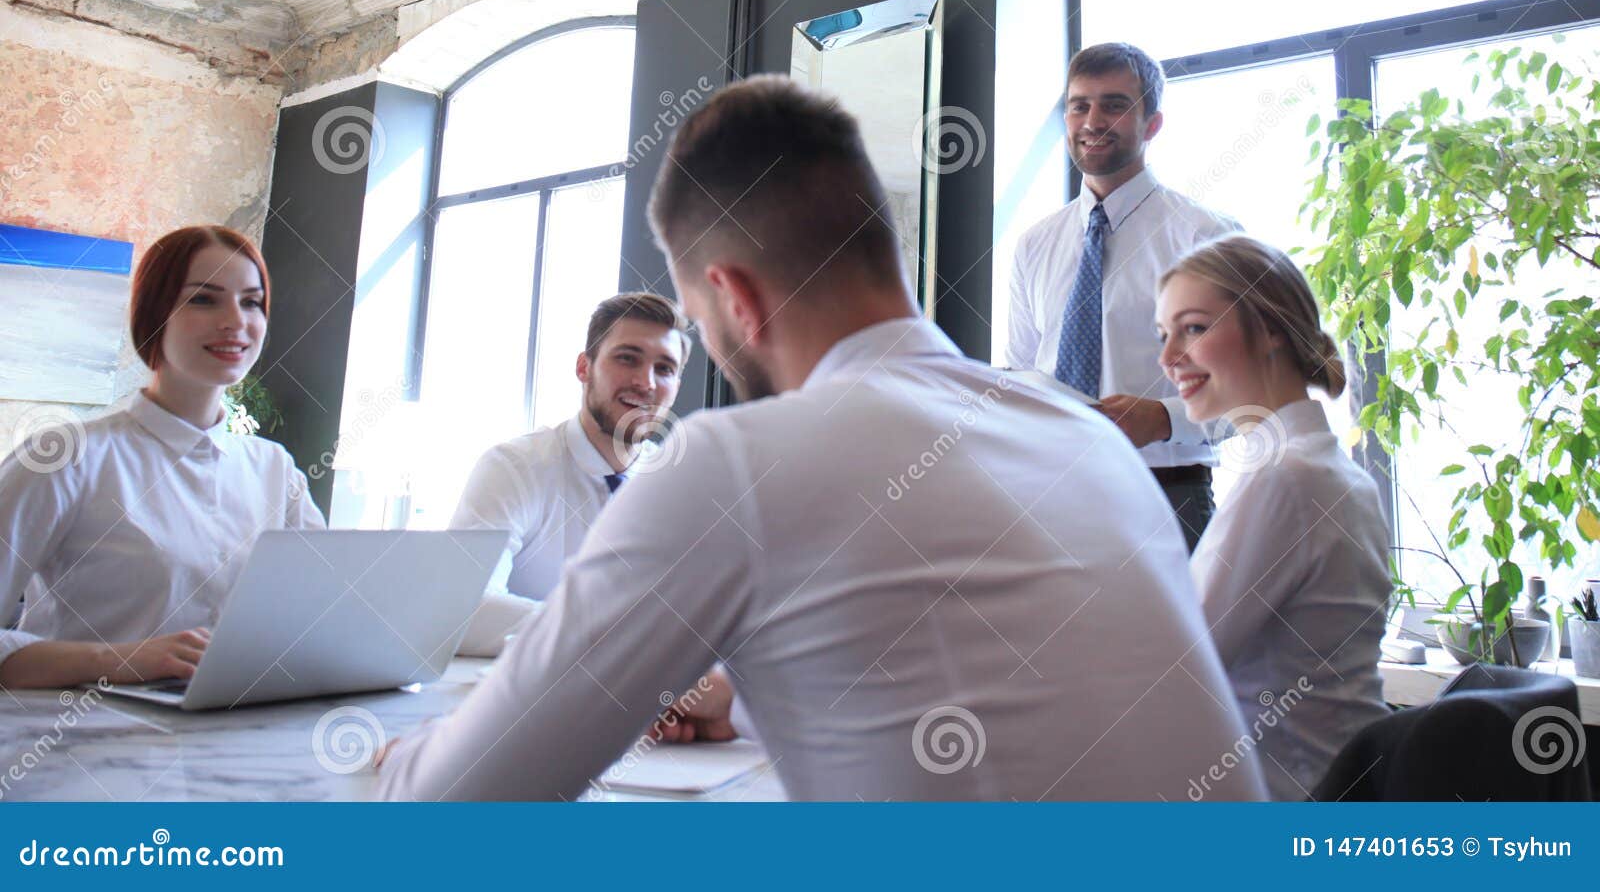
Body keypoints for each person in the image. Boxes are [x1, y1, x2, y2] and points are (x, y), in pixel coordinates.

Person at [376, 75, 1264, 802]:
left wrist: (394, 765)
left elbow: (452, 805)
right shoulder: (1085, 435)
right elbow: (1006, 684)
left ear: (735, 297)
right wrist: (743, 703)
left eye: (696, 321)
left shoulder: (728, 461)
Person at [0, 225, 325, 690]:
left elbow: (326, 614)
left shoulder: (275, 470)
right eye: (203, 299)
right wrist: (121, 659)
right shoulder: (66, 459)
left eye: (251, 301)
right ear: (155, 315)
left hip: (236, 739)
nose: (236, 321)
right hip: (78, 743)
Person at [1157, 234, 1390, 799]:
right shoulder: (1339, 475)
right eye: (1164, 336)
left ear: (1270, 330)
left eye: (1193, 328)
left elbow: (1180, 669)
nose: (1168, 359)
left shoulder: (1285, 480)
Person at [1008, 41, 1240, 550]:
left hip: (1165, 496)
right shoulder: (1034, 245)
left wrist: (1163, 420)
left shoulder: (1207, 238)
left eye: (1114, 105)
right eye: (1079, 105)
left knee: (1174, 635)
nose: (1093, 120)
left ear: (1151, 124)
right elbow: (1022, 375)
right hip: (1047, 492)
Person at [448, 292, 689, 655]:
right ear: (584, 368)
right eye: (628, 358)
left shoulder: (679, 484)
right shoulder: (513, 468)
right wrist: (602, 636)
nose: (646, 383)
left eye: (664, 369)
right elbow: (462, 609)